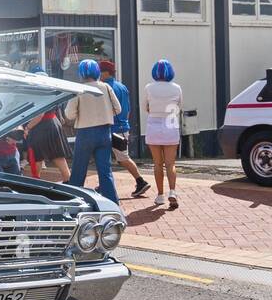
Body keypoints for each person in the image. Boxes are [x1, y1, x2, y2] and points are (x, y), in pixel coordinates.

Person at [64, 59, 122, 203]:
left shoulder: (78, 89)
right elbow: (118, 109)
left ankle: (74, 202)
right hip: (104, 132)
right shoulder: (106, 87)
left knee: (78, 171)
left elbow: (69, 114)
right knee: (105, 172)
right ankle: (113, 204)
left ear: (81, 73)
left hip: (84, 133)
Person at [99, 59, 151, 199]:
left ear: (105, 72)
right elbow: (127, 109)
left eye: (99, 71)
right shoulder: (122, 87)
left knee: (109, 158)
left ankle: (140, 181)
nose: (98, 74)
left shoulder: (104, 87)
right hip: (123, 127)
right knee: (121, 158)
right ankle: (137, 181)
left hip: (110, 127)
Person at [144, 59, 183, 209]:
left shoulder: (149, 87)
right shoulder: (176, 88)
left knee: (158, 163)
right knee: (170, 163)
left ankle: (160, 195)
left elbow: (145, 106)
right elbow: (180, 105)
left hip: (154, 125)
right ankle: (172, 191)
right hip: (171, 124)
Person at [22, 67, 71, 181]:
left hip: (43, 126)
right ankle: (69, 181)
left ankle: (36, 183)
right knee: (58, 157)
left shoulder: (40, 91)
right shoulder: (51, 89)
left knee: (38, 158)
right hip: (53, 123)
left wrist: (28, 128)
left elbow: (40, 115)